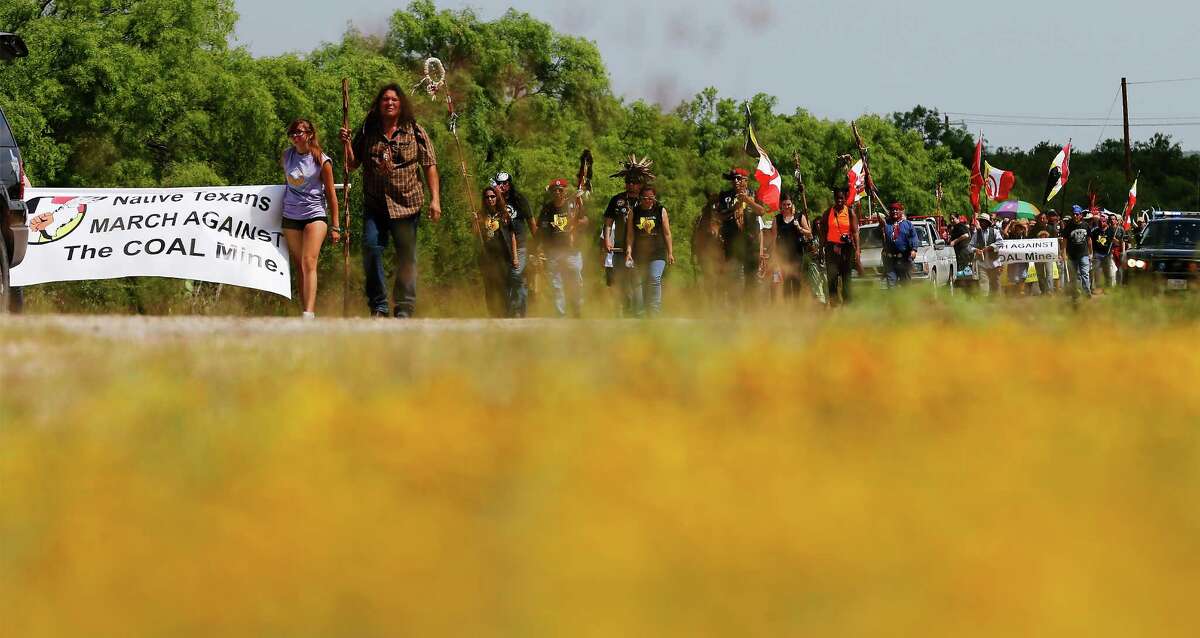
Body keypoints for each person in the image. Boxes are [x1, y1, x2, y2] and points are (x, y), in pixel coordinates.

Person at [339, 83, 440, 318]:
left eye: (394, 99)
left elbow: (429, 165)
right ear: (379, 103)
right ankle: (379, 306)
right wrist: (345, 144)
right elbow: (352, 164)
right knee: (371, 249)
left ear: (401, 103)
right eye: (385, 99)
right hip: (375, 204)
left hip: (407, 204)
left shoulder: (414, 130)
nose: (390, 102)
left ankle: (404, 307)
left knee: (407, 257)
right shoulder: (367, 130)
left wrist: (436, 200)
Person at [281, 118, 341, 320]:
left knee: (309, 261)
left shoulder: (321, 161)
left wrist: (336, 226)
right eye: (292, 134)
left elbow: (332, 195)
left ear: (309, 134)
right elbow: (287, 184)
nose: (295, 137)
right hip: (291, 215)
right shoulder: (287, 156)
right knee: (299, 264)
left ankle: (309, 313)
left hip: (314, 214)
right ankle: (303, 309)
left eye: (299, 132)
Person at [604, 156, 653, 316]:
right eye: (628, 182)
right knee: (621, 282)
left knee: (637, 282)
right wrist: (606, 240)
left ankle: (638, 314)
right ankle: (623, 313)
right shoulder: (617, 200)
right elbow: (608, 223)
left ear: (641, 183)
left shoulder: (646, 201)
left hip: (640, 248)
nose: (630, 185)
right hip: (618, 247)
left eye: (634, 182)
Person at [537, 178, 587, 317]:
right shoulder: (547, 208)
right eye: (555, 190)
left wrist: (578, 222)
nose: (558, 192)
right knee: (556, 284)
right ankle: (561, 314)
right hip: (554, 251)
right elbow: (541, 228)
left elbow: (585, 220)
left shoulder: (574, 204)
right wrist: (541, 247)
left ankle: (577, 310)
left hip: (572, 250)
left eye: (560, 190)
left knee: (575, 282)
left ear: (565, 191)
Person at [716, 168, 767, 302]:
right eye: (733, 179)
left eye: (739, 178)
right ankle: (735, 310)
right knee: (734, 277)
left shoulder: (755, 194)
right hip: (732, 243)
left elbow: (762, 211)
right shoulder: (725, 196)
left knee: (751, 278)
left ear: (746, 181)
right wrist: (735, 207)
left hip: (751, 243)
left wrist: (748, 200)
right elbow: (719, 216)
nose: (736, 181)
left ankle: (751, 309)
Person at [625, 184, 675, 316]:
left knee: (654, 277)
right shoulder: (633, 212)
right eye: (645, 198)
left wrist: (670, 252)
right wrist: (629, 252)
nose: (648, 201)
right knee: (638, 282)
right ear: (640, 198)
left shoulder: (661, 210)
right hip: (639, 253)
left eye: (651, 198)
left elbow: (667, 233)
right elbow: (630, 234)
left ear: (655, 198)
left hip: (657, 252)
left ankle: (654, 312)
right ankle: (639, 311)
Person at [493, 171, 534, 317]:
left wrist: (538, 244)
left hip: (520, 243)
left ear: (509, 184)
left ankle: (516, 310)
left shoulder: (519, 199)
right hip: (502, 246)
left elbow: (531, 222)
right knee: (508, 278)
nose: (501, 186)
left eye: (504, 183)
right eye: (498, 183)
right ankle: (513, 311)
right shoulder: (493, 199)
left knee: (515, 275)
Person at [480, 186, 518, 317]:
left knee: (502, 287)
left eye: (492, 196)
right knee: (489, 288)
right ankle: (493, 314)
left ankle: (505, 314)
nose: (490, 199)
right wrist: (475, 222)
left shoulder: (504, 215)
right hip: (487, 257)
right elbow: (476, 234)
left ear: (497, 197)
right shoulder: (481, 215)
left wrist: (515, 257)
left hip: (502, 257)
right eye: (487, 197)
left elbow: (512, 236)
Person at [820, 187, 859, 305]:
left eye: (842, 198)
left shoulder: (850, 212)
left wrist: (857, 250)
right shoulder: (827, 213)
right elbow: (823, 232)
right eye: (837, 198)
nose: (839, 200)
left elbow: (855, 232)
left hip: (846, 249)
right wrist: (821, 249)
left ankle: (847, 305)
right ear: (834, 198)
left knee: (846, 278)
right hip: (831, 249)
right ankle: (834, 305)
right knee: (832, 279)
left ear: (845, 198)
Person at [771, 193, 813, 299]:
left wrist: (800, 228)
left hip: (797, 254)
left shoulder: (799, 216)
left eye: (788, 204)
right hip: (783, 255)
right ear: (781, 205)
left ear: (792, 204)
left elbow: (809, 233)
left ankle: (796, 306)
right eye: (784, 204)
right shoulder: (777, 219)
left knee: (796, 280)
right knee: (784, 281)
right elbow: (774, 238)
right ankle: (787, 307)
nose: (786, 207)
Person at [692, 192, 725, 306]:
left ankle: (720, 302)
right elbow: (697, 232)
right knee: (708, 275)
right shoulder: (703, 214)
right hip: (706, 248)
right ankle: (710, 302)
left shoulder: (722, 209)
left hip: (720, 246)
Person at [879, 202, 919, 288]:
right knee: (891, 284)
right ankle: (894, 301)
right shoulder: (886, 224)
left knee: (906, 284)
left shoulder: (908, 224)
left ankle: (906, 300)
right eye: (892, 210)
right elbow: (878, 236)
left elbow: (913, 237)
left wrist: (914, 249)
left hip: (904, 258)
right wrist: (880, 227)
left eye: (897, 210)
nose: (894, 212)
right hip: (890, 259)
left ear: (901, 211)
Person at [1061, 205, 1093, 298]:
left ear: (1080, 215)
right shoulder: (1069, 226)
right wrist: (1064, 253)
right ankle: (1077, 292)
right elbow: (1064, 240)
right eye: (1074, 214)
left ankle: (1087, 292)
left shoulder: (1086, 225)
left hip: (1084, 254)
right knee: (1075, 275)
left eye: (1077, 214)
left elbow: (1089, 240)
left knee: (1085, 274)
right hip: (1072, 255)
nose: (1075, 216)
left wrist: (1091, 252)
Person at [969, 213, 1003, 296]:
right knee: (983, 284)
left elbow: (1000, 242)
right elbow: (969, 246)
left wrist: (990, 247)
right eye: (981, 221)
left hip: (994, 264)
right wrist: (976, 250)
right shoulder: (977, 233)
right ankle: (984, 302)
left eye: (984, 221)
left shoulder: (995, 231)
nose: (982, 223)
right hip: (982, 263)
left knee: (996, 284)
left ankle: (997, 303)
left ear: (988, 222)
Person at [1090, 213, 1117, 290]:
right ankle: (1097, 288)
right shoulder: (1095, 231)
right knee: (1096, 272)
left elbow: (1115, 241)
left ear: (1106, 222)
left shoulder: (1111, 231)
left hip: (1107, 254)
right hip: (1097, 254)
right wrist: (1092, 252)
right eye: (1100, 222)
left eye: (1103, 221)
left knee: (1107, 272)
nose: (1102, 223)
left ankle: (1108, 288)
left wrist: (1117, 241)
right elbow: (1091, 242)